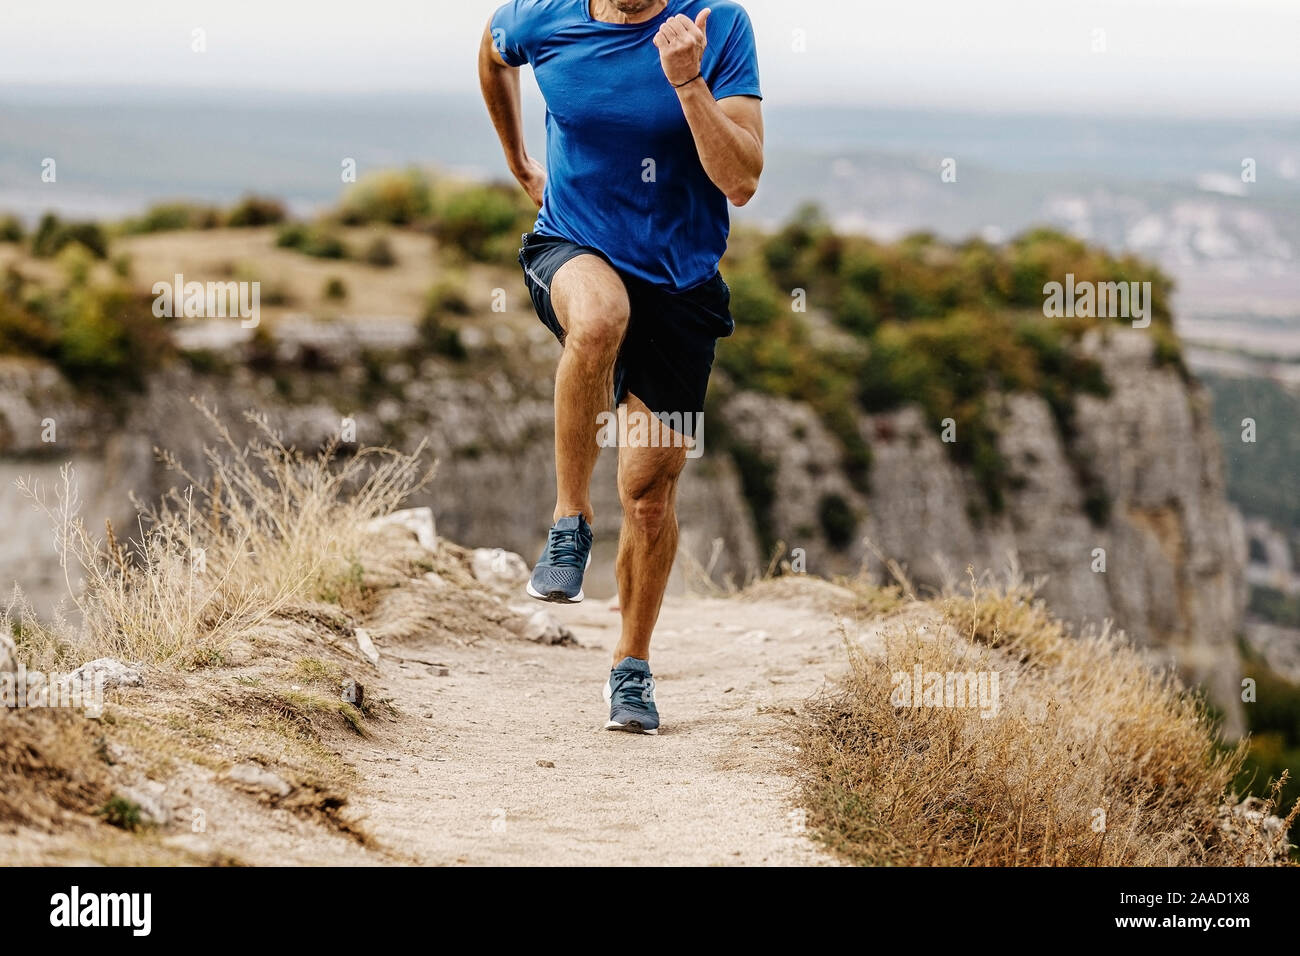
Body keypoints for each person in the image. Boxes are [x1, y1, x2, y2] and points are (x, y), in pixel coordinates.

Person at [478, 0, 763, 734]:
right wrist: (517, 160)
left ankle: (631, 665)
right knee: (600, 319)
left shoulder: (716, 24)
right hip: (572, 246)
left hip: (682, 284)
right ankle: (569, 522)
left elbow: (741, 180)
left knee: (649, 497)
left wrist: (687, 82)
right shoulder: (542, 16)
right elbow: (491, 53)